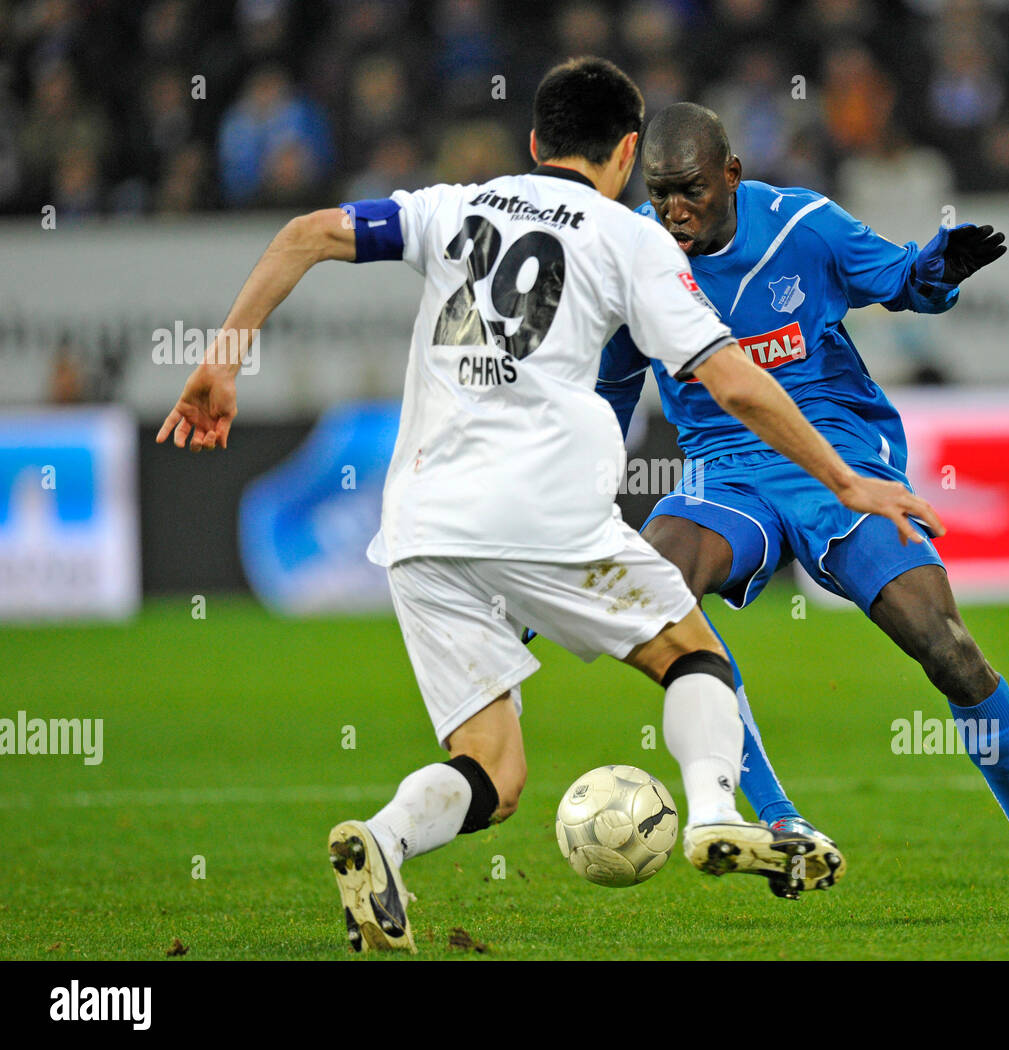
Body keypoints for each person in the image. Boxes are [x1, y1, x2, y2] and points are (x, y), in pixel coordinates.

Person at [156, 59, 947, 952]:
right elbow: (732, 381)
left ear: (534, 142)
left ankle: (385, 838)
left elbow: (305, 233)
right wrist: (846, 480)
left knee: (493, 771)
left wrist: (222, 361)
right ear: (628, 153)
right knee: (692, 655)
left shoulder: (452, 207)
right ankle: (715, 813)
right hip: (542, 511)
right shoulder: (630, 239)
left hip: (420, 527)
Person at [596, 102, 1009, 916]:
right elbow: (612, 393)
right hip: (725, 470)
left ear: (731, 174)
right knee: (658, 590)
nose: (674, 210)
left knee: (948, 649)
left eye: (690, 189)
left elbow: (905, 283)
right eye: (659, 193)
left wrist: (939, 267)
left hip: (837, 461)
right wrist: (577, 502)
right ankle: (778, 818)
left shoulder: (805, 226)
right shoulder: (637, 259)